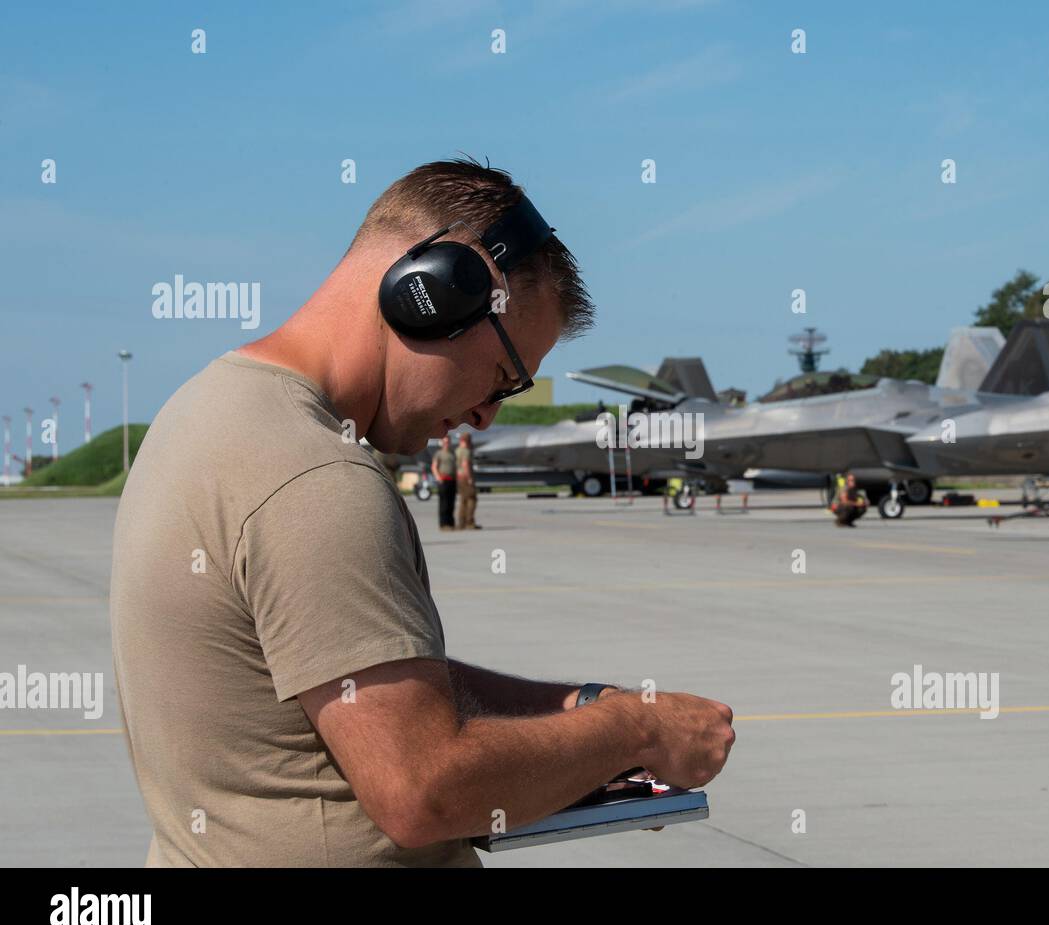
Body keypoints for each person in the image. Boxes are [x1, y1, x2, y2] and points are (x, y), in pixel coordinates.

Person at [110, 159, 735, 867]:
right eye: (503, 378)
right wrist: (635, 731)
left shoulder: (205, 409)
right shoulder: (315, 480)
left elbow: (369, 677)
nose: (486, 417)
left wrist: (586, 708)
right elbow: (423, 790)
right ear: (431, 292)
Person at [455, 432, 480, 530]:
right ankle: (469, 522)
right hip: (465, 477)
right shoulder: (466, 451)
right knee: (472, 499)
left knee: (463, 500)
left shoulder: (457, 450)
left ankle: (462, 522)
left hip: (459, 477)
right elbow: (465, 465)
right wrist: (470, 478)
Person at [433, 434, 457, 530]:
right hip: (443, 480)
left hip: (452, 480)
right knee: (444, 503)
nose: (446, 443)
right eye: (445, 442)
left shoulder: (452, 453)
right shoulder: (439, 453)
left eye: (448, 441)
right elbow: (434, 466)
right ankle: (443, 524)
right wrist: (438, 478)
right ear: (442, 443)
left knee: (451, 503)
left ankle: (451, 523)